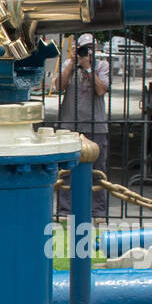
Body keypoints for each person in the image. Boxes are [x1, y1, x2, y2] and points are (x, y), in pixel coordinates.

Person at [54, 32, 110, 218]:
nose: (87, 52)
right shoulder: (69, 66)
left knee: (97, 171)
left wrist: (87, 68)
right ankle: (65, 210)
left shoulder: (102, 66)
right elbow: (59, 86)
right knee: (66, 170)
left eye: (90, 48)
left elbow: (101, 90)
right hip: (70, 124)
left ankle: (97, 211)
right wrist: (71, 64)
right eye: (84, 48)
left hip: (96, 125)